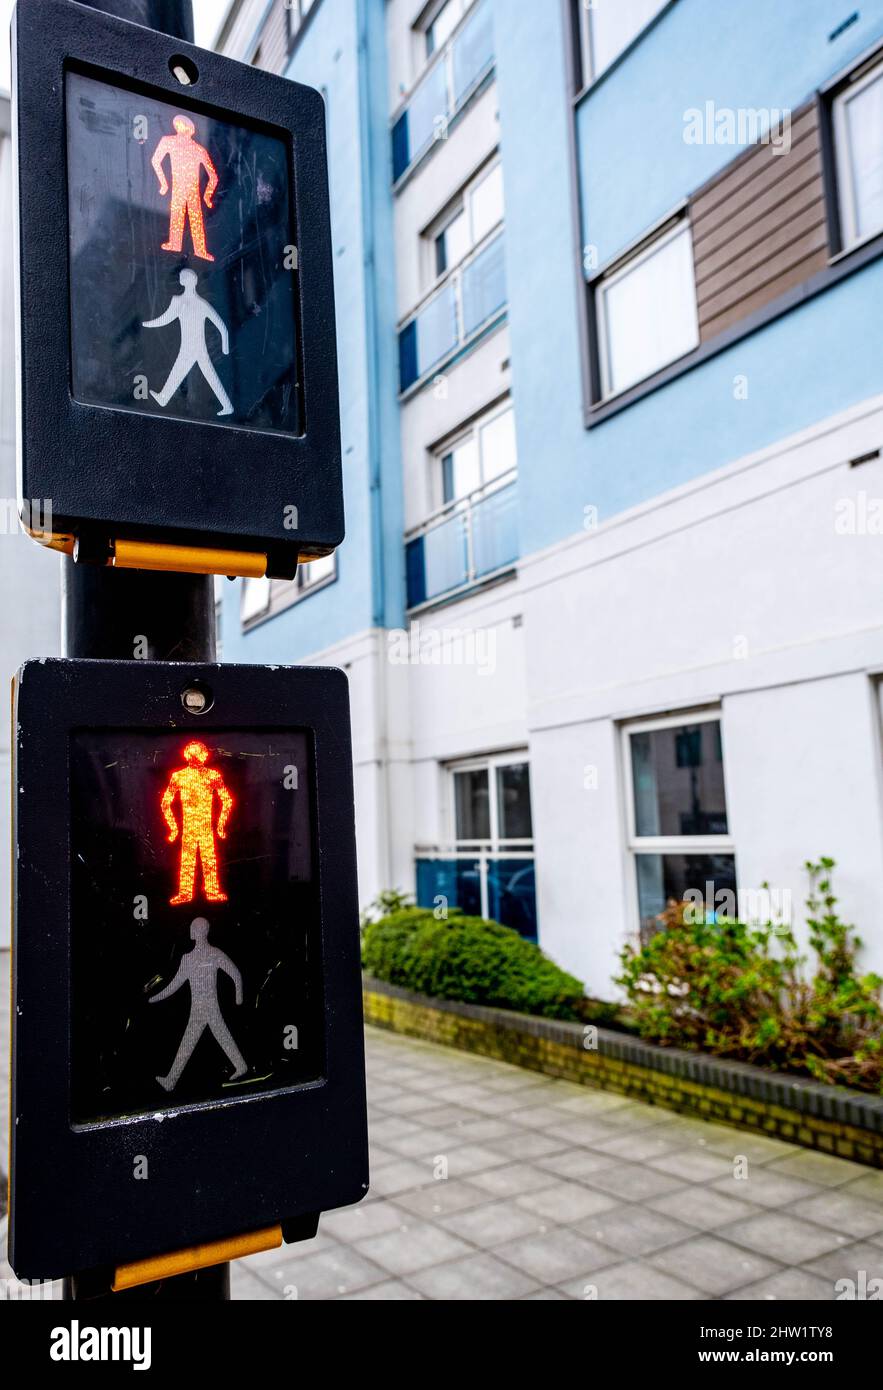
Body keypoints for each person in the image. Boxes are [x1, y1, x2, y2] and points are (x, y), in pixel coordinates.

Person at [151, 917, 247, 1092]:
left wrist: (239, 997)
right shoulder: (194, 957)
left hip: (205, 1009)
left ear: (195, 932)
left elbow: (235, 974)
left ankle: (171, 1080)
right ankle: (240, 1066)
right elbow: (174, 985)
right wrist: (156, 997)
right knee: (217, 1036)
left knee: (193, 1040)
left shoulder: (208, 955)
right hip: (202, 1008)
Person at [143, 269, 233, 417]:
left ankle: (164, 397)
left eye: (183, 278)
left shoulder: (196, 303)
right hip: (190, 346)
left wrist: (225, 347)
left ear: (186, 281)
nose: (182, 280)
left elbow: (221, 326)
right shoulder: (182, 301)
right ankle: (164, 397)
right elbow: (165, 318)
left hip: (196, 347)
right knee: (186, 371)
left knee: (199, 373)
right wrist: (149, 324)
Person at [161, 738, 233, 905]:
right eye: (192, 753)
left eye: (197, 753)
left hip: (204, 826)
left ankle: (209, 892)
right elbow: (165, 802)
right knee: (190, 861)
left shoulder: (212, 775)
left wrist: (221, 824)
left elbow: (227, 800)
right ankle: (189, 894)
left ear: (204, 755)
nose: (194, 757)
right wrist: (173, 828)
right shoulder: (178, 776)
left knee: (206, 860)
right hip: (191, 827)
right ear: (187, 755)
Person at [150, 114, 218, 262]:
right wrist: (163, 183)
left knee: (193, 218)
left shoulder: (199, 150)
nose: (182, 129)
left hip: (190, 189)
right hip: (180, 187)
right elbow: (155, 160)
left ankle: (199, 250)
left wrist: (207, 196)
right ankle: (181, 245)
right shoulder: (169, 141)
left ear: (191, 130)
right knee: (182, 215)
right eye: (180, 125)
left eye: (184, 127)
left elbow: (213, 176)